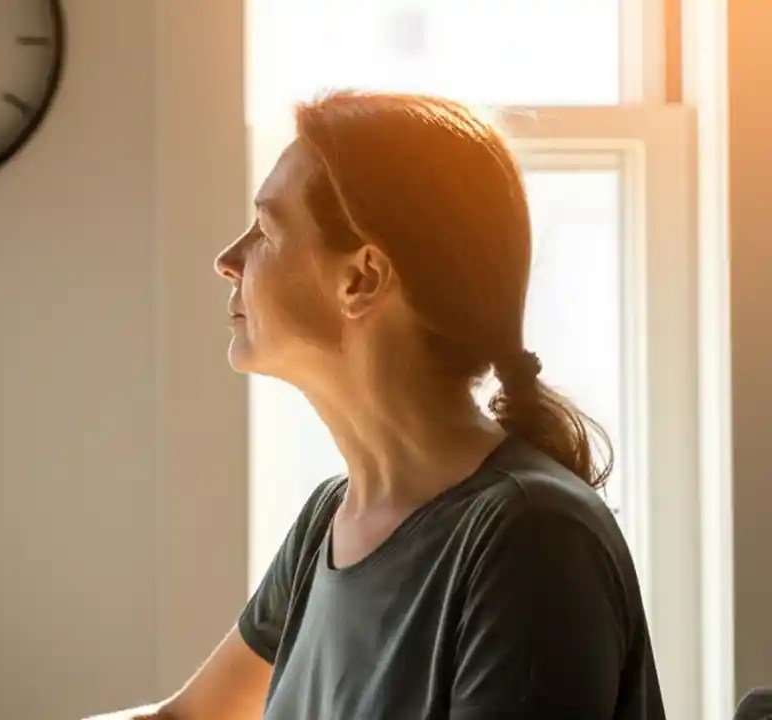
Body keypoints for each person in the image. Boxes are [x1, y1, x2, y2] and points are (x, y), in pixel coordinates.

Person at [87, 91, 665, 719]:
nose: (229, 261)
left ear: (361, 279)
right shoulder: (327, 521)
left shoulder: (533, 540)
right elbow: (190, 719)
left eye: (266, 230)